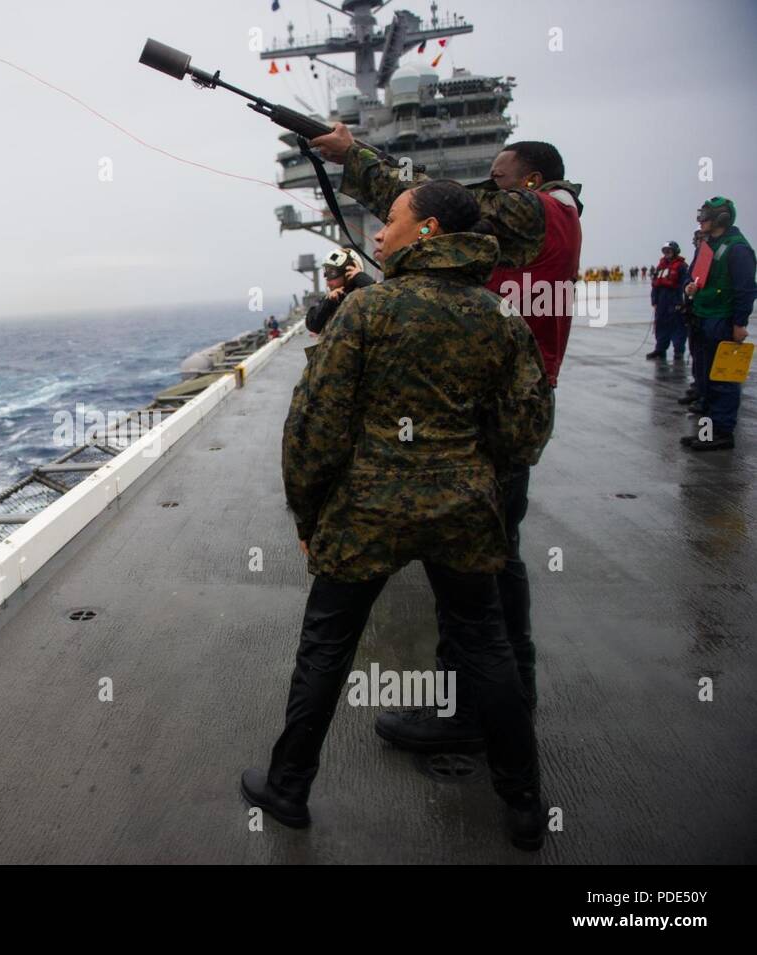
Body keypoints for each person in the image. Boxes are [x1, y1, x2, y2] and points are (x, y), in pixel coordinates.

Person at [241, 179, 555, 850]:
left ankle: (288, 788)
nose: (378, 234)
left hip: (368, 510)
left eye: (390, 220)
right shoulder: (500, 318)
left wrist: (307, 514)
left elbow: (314, 427)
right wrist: (472, 472)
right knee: (487, 647)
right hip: (464, 510)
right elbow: (524, 434)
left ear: (429, 230)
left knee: (326, 646)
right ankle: (525, 803)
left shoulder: (366, 312)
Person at [307, 126, 581, 748]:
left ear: (532, 183)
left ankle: (468, 721)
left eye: (502, 179)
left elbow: (444, 206)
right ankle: (510, 712)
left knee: (473, 596)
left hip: (484, 421)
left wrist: (354, 156)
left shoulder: (541, 215)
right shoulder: (556, 225)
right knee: (493, 581)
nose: (492, 187)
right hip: (510, 412)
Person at [680, 197, 754, 451]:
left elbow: (745, 289)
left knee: (722, 379)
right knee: (704, 379)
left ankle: (722, 432)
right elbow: (695, 276)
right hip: (702, 316)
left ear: (721, 218)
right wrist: (690, 286)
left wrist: (739, 322)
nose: (701, 220)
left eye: (706, 216)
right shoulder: (708, 246)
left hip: (721, 321)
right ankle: (707, 431)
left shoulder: (738, 249)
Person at [305, 248, 375, 335]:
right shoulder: (334, 299)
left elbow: (382, 300)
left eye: (332, 274)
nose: (328, 283)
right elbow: (313, 325)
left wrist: (361, 278)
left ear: (349, 272)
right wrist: (328, 303)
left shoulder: (366, 296)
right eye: (327, 274)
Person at [679, 230, 709, 407]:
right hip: (696, 309)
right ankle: (699, 388)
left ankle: (705, 397)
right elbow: (691, 279)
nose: (698, 242)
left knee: (706, 357)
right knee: (697, 353)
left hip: (710, 313)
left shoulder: (712, 252)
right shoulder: (701, 254)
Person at [646, 241, 689, 360]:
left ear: (675, 251)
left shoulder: (682, 266)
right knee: (661, 325)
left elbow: (685, 285)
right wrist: (654, 301)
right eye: (665, 251)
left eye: (669, 250)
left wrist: (682, 303)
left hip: (675, 301)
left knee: (678, 327)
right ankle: (660, 349)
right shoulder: (660, 266)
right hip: (661, 302)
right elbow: (655, 285)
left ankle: (678, 351)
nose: (667, 253)